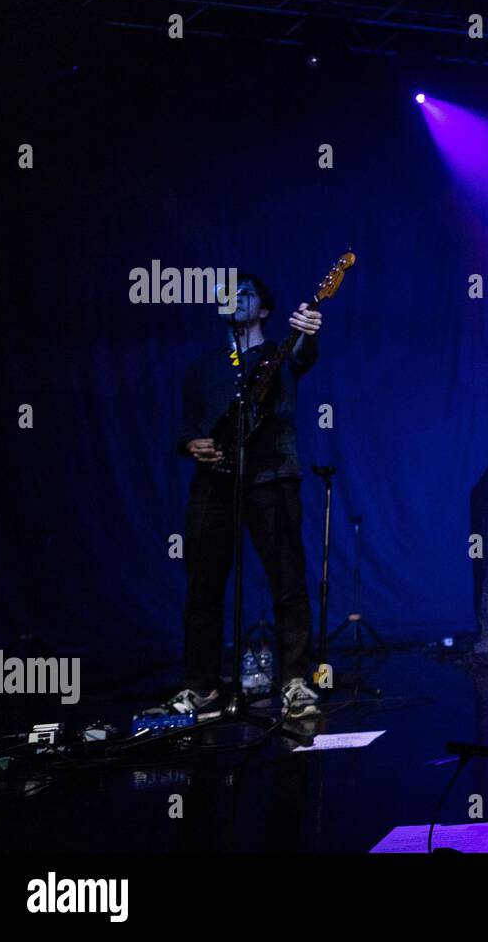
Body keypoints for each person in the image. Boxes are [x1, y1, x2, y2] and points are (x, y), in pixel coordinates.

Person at [146, 274, 322, 720]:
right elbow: (187, 425)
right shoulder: (203, 366)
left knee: (288, 583)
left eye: (245, 293)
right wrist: (192, 443)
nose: (234, 299)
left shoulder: (280, 354)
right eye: (227, 294)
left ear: (264, 309)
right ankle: (201, 688)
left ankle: (295, 682)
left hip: (272, 477)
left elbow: (304, 354)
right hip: (214, 482)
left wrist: (307, 330)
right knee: (202, 589)